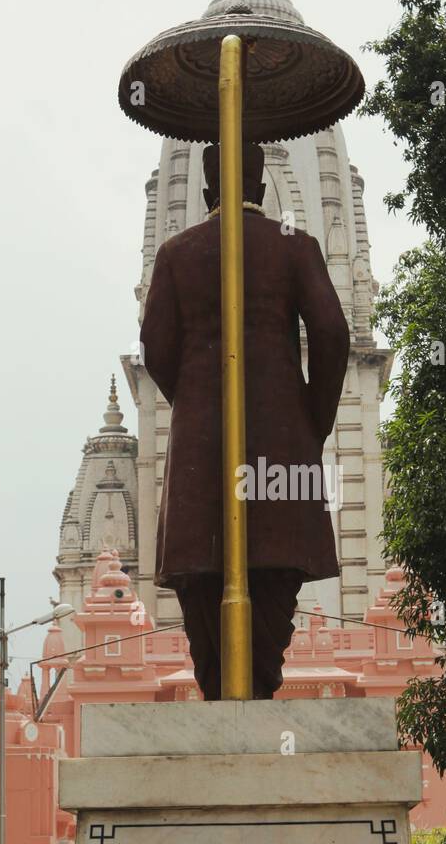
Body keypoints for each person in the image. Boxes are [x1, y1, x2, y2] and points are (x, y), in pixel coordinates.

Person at [141, 141, 349, 698]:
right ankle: (256, 712)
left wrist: (194, 399)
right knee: (269, 621)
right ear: (261, 187)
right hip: (281, 466)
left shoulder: (178, 253)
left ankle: (224, 721)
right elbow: (331, 334)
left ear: (207, 190)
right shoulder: (296, 246)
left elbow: (156, 349)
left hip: (198, 472)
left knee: (209, 638)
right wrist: (311, 421)